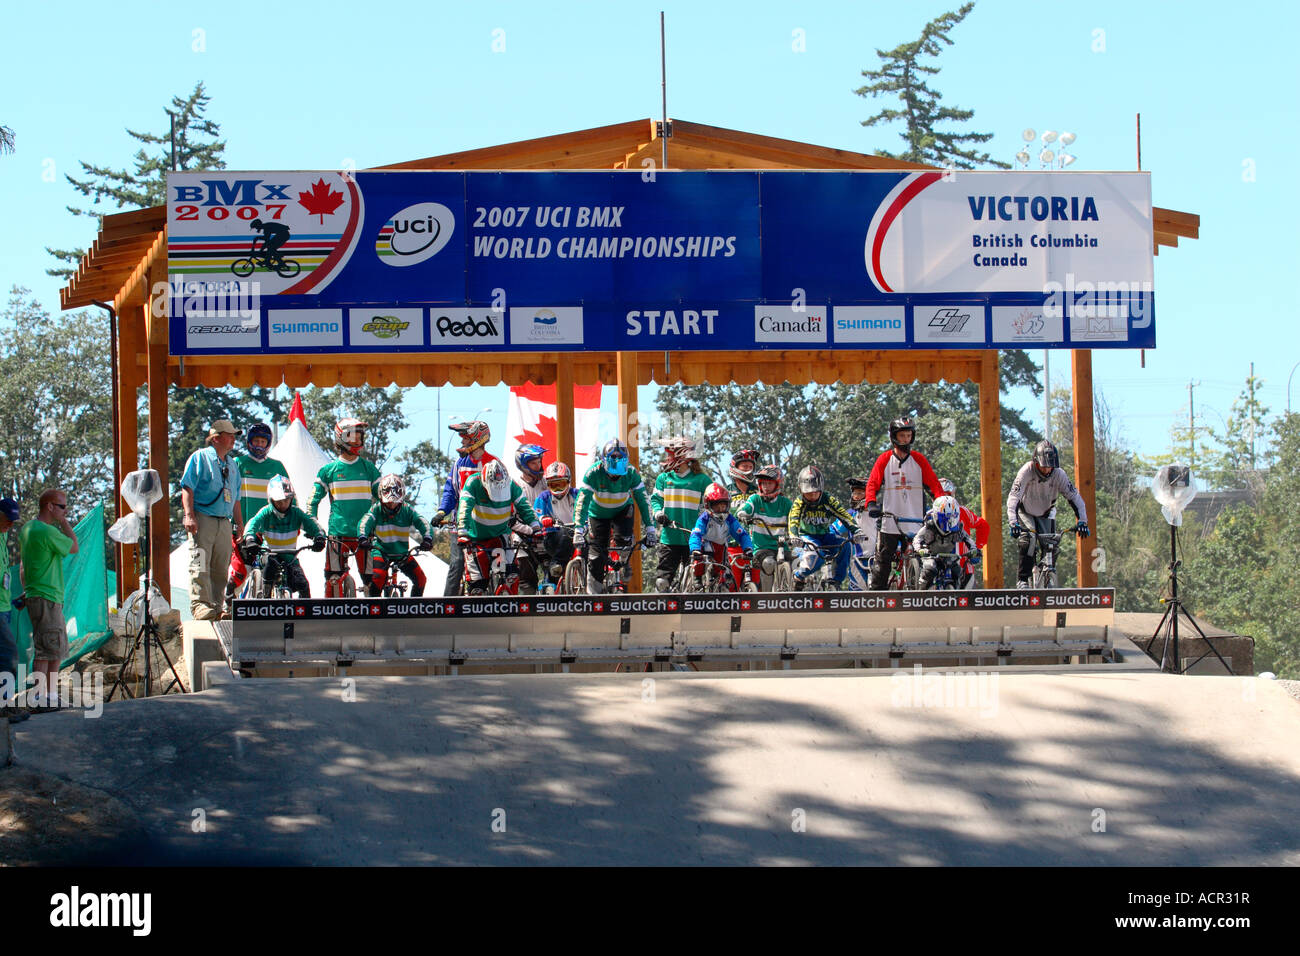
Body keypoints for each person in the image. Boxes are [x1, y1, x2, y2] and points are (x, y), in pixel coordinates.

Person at [864, 416, 945, 591]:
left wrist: (942, 504)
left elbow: (934, 486)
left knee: (925, 557)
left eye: (909, 436)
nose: (906, 440)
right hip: (891, 522)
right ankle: (876, 598)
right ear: (894, 436)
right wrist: (871, 503)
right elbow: (872, 484)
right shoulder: (884, 459)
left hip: (915, 521)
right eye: (902, 436)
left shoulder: (919, 460)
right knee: (883, 560)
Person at [17, 490, 78, 711]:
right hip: (47, 596)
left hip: (39, 595)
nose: (65, 511)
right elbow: (74, 546)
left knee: (55, 648)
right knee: (46, 649)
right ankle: (39, 697)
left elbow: (24, 566)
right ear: (49, 506)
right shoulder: (45, 531)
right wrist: (65, 524)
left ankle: (49, 695)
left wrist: (27, 590)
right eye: (62, 507)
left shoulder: (28, 528)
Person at [180, 419, 244, 620]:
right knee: (199, 561)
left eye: (234, 435)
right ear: (216, 438)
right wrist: (189, 515)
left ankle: (217, 607)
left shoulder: (232, 464)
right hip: (203, 518)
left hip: (224, 521)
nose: (233, 439)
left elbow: (236, 498)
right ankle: (200, 604)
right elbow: (187, 487)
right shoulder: (199, 458)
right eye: (229, 435)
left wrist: (239, 523)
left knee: (221, 565)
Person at [309, 418, 381, 598]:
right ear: (341, 438)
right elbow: (313, 500)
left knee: (372, 580)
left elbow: (385, 498)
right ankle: (331, 621)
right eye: (353, 436)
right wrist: (312, 523)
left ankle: (373, 621)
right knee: (333, 580)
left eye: (360, 436)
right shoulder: (328, 470)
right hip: (337, 533)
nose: (357, 440)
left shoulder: (369, 468)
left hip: (365, 534)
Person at [575, 438, 656, 594]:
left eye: (621, 460)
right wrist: (578, 530)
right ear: (604, 462)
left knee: (624, 541)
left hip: (622, 510)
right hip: (597, 514)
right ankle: (594, 594)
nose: (615, 477)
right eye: (613, 459)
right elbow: (582, 501)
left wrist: (651, 529)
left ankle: (623, 563)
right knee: (596, 556)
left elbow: (643, 500)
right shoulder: (592, 473)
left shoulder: (632, 473)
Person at [1006, 439, 1090, 588]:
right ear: (1035, 461)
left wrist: (1083, 521)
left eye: (1050, 466)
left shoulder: (1059, 474)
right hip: (1026, 510)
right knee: (1028, 540)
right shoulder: (1026, 470)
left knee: (1053, 544)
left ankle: (1048, 573)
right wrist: (1013, 522)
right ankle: (1023, 580)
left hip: (1046, 512)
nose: (1047, 470)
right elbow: (1014, 497)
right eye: (1044, 466)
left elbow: (1075, 498)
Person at [225, 422, 288, 607]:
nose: (259, 445)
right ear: (249, 442)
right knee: (240, 569)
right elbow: (229, 493)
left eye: (263, 441)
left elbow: (288, 495)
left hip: (270, 528)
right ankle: (228, 603)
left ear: (268, 443)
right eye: (256, 441)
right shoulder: (239, 463)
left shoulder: (277, 466)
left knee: (276, 568)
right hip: (242, 527)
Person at [432, 421, 498, 596]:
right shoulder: (459, 464)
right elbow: (450, 491)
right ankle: (446, 608)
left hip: (487, 526)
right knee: (457, 565)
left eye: (465, 439)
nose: (461, 443)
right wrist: (441, 512)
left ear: (477, 439)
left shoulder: (494, 463)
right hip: (460, 526)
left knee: (498, 564)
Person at [456, 459, 541, 595]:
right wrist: (462, 532)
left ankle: (512, 605)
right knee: (477, 583)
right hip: (475, 538)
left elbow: (524, 506)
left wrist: (536, 527)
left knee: (510, 572)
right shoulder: (473, 482)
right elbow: (464, 507)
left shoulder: (512, 484)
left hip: (500, 536)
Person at [242, 476, 326, 599]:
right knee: (270, 567)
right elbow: (252, 524)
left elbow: (312, 525)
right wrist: (250, 539)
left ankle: (305, 614)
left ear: (291, 498)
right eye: (279, 501)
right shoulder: (266, 513)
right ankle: (265, 599)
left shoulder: (296, 513)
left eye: (286, 500)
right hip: (269, 554)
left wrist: (319, 537)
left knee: (303, 585)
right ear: (271, 500)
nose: (283, 504)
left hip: (290, 556)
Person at [650, 437, 712, 592]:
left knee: (696, 584)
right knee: (662, 582)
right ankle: (661, 611)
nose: (667, 459)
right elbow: (656, 499)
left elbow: (713, 503)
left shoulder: (702, 480)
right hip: (669, 538)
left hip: (694, 539)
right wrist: (658, 513)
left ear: (681, 456)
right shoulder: (664, 478)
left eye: (670, 455)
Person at [358, 474, 432, 597]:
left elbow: (423, 522)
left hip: (402, 554)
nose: (392, 506)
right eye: (388, 503)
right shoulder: (376, 509)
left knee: (421, 579)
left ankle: (414, 610)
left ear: (401, 499)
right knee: (378, 577)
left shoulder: (407, 510)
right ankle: (373, 610)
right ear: (381, 498)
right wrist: (362, 537)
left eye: (395, 502)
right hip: (381, 552)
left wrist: (428, 538)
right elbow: (365, 522)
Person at [787, 466, 854, 590]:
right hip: (806, 537)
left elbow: (844, 515)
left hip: (825, 536)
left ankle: (836, 581)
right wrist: (794, 536)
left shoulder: (828, 499)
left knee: (845, 545)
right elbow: (793, 520)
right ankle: (798, 575)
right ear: (801, 490)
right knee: (816, 556)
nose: (812, 495)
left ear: (821, 489)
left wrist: (857, 531)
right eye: (808, 493)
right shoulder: (799, 503)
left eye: (815, 492)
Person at [735, 465, 792, 591]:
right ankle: (767, 597)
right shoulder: (755, 499)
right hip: (761, 549)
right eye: (763, 483)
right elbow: (745, 508)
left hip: (782, 547)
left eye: (769, 483)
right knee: (769, 564)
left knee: (797, 563)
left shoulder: (785, 503)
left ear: (777, 484)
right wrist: (743, 514)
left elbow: (795, 517)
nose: (766, 487)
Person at [688, 482, 755, 588]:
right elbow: (696, 534)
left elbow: (742, 535)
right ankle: (697, 578)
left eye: (723, 506)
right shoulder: (704, 518)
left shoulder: (730, 519)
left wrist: (747, 548)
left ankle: (715, 582)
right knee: (699, 561)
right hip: (704, 544)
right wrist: (695, 549)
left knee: (720, 569)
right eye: (716, 506)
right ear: (708, 505)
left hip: (720, 546)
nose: (720, 510)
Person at [912, 495, 980, 590]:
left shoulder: (958, 529)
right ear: (937, 515)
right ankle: (920, 595)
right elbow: (917, 539)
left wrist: (974, 550)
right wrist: (920, 549)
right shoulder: (929, 527)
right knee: (929, 570)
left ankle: (956, 596)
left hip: (949, 556)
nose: (950, 521)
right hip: (930, 555)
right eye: (946, 518)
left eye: (953, 517)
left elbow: (968, 540)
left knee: (958, 572)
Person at [0, 497, 27, 721]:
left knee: (5, 655)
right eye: (7, 520)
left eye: (12, 522)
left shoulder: (3, 537)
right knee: (9, 655)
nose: (10, 525)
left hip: (4, 606)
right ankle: (4, 706)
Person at [534, 462, 578, 589]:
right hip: (553, 538)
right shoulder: (543, 497)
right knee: (567, 532)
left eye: (561, 484)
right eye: (554, 485)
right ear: (548, 485)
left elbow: (588, 509)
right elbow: (537, 514)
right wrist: (544, 519)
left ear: (568, 482)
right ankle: (556, 565)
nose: (558, 489)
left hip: (579, 535)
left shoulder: (577, 494)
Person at [940, 477, 990, 588]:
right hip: (938, 567)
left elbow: (983, 525)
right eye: (941, 496)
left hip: (964, 566)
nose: (945, 500)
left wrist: (977, 547)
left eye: (947, 495)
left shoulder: (962, 511)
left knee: (969, 601)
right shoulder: (930, 514)